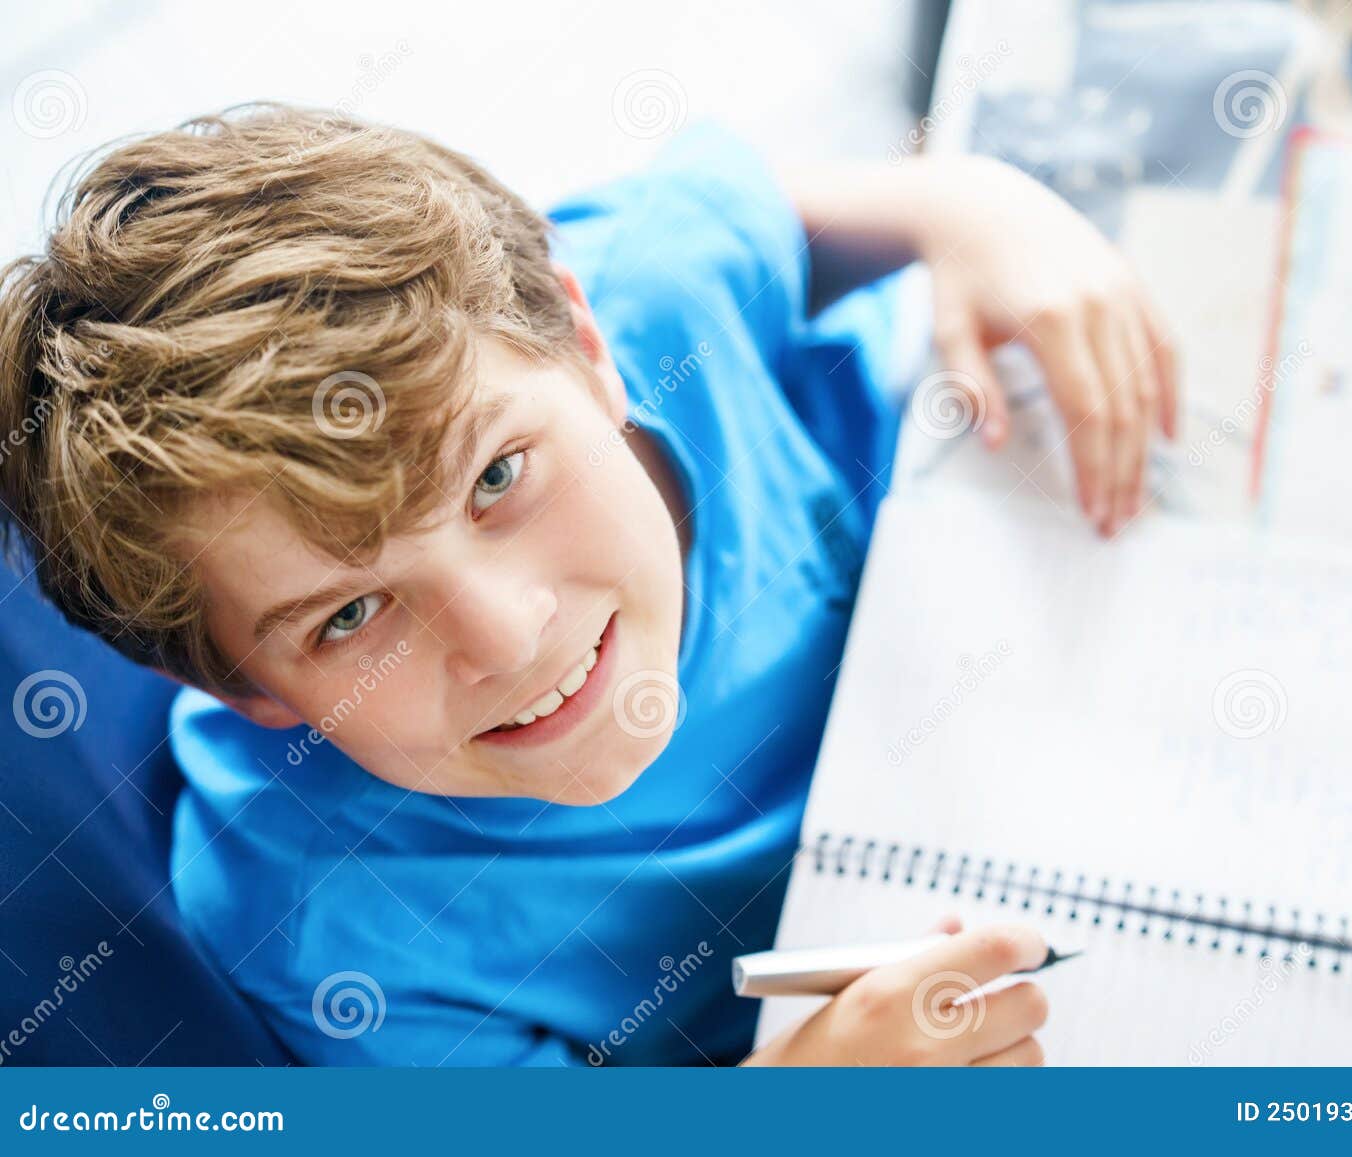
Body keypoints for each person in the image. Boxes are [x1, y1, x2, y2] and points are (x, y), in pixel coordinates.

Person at [0, 104, 1175, 1065]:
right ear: (246, 688)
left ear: (586, 344)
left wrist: (981, 208)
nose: (507, 635)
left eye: (498, 475)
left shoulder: (658, 289)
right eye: (350, 615)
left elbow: (786, 217)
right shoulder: (320, 934)